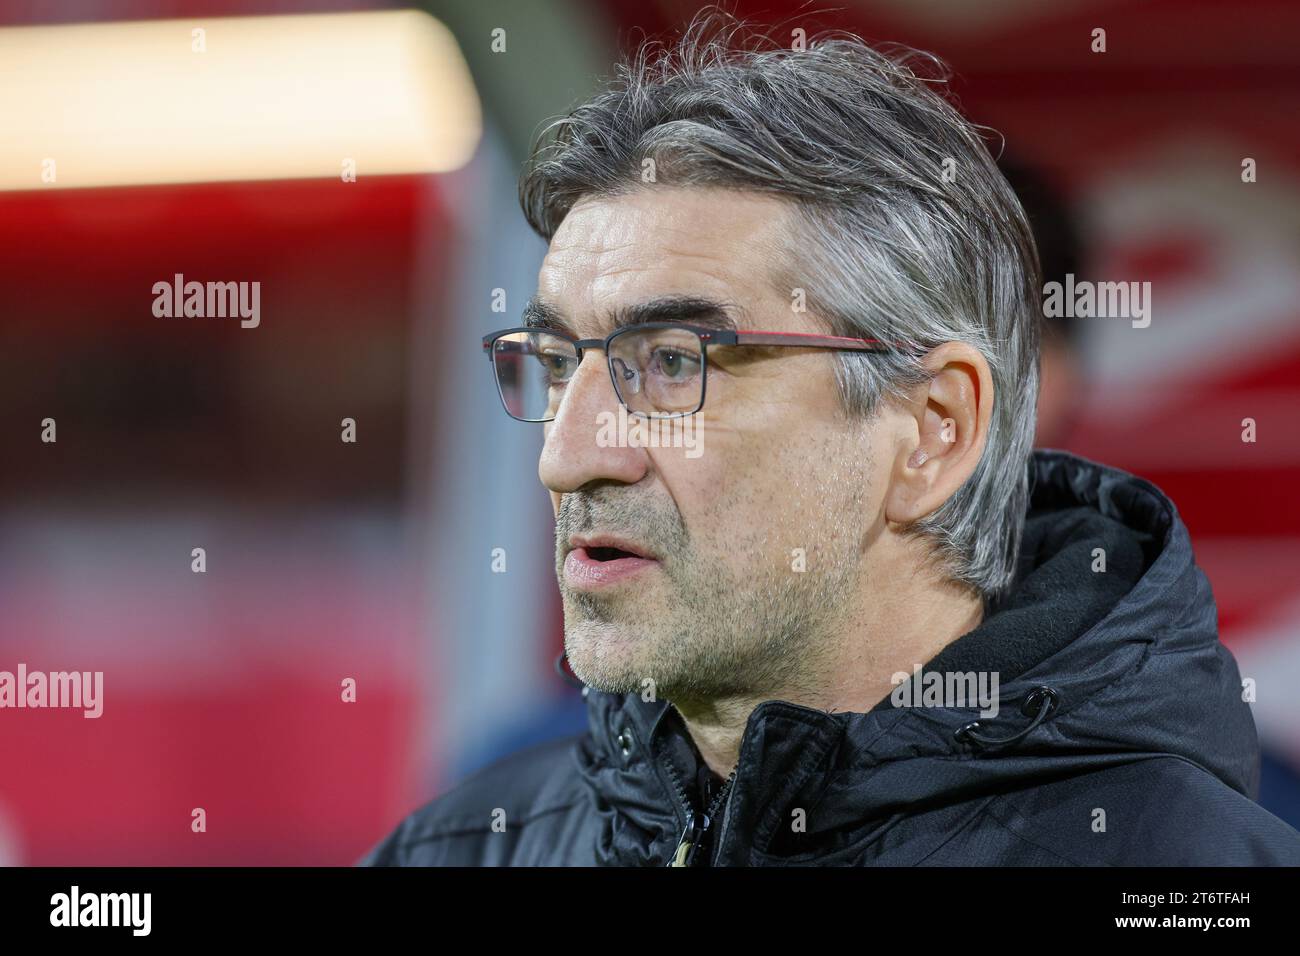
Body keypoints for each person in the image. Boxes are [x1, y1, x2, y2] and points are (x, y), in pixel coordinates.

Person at [361, 8, 1300, 866]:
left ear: (934, 431)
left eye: (676, 362)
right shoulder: (458, 848)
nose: (566, 456)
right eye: (561, 361)